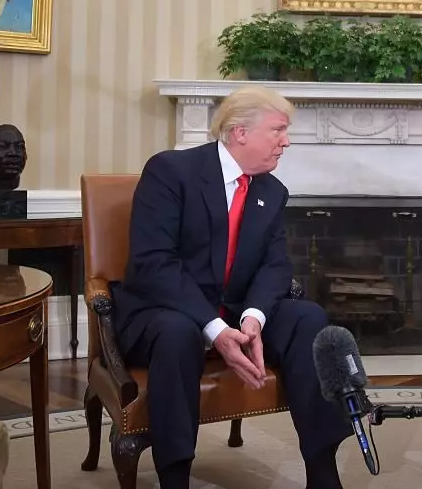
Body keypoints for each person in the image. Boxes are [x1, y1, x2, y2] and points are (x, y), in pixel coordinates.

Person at [110, 86, 352, 489]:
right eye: (278, 130)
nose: (286, 141)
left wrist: (254, 318)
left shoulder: (271, 191)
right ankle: (175, 477)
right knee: (178, 333)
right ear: (240, 132)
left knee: (308, 318)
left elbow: (275, 265)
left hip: (235, 308)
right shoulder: (171, 172)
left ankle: (323, 473)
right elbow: (154, 264)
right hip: (161, 311)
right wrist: (217, 330)